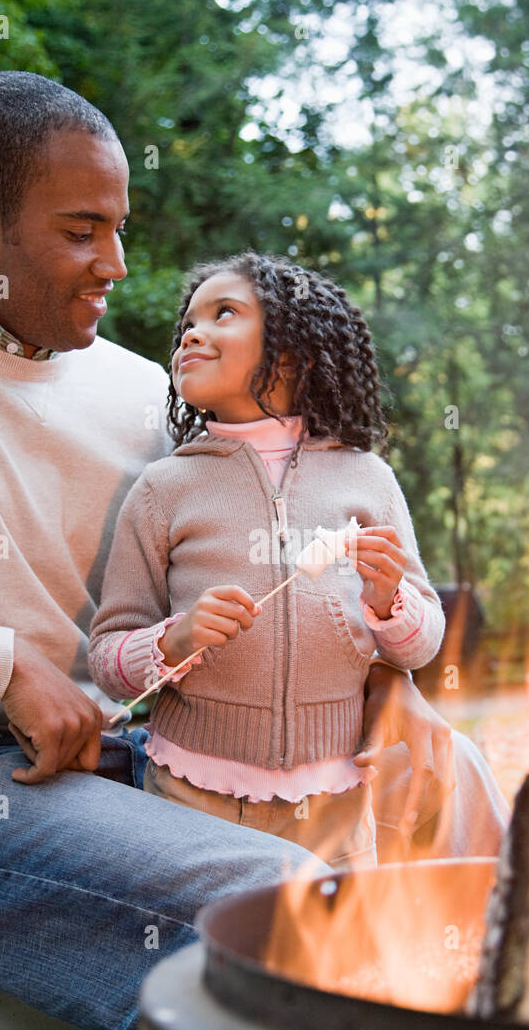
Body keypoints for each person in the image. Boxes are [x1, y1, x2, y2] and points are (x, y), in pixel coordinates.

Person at [0, 71, 506, 1030]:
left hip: (116, 753)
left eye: (119, 229)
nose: (117, 264)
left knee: (457, 779)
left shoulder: (138, 396)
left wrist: (385, 680)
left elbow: (238, 583)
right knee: (281, 906)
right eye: (82, 230)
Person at [88, 254, 447, 868]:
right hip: (190, 794)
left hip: (336, 798)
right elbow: (108, 658)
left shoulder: (368, 479)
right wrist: (175, 641)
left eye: (224, 313)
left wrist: (389, 603)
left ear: (294, 351)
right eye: (187, 326)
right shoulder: (164, 488)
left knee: (330, 959)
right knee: (215, 958)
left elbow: (422, 643)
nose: (192, 335)